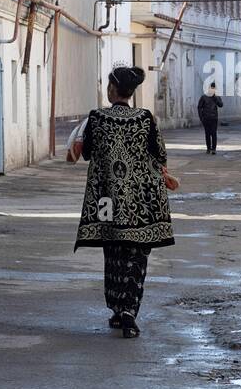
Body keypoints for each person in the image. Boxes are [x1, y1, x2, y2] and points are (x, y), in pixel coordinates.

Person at [74, 66, 174, 338]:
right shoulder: (146, 118)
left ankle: (118, 310)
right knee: (136, 253)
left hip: (107, 200)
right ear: (130, 92)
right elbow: (160, 155)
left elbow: (87, 154)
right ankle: (130, 310)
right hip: (141, 200)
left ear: (111, 89)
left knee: (113, 249)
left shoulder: (97, 118)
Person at [197, 82, 223, 155]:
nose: (212, 90)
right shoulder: (204, 97)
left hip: (214, 118)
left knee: (213, 133)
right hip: (206, 118)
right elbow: (199, 107)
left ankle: (213, 149)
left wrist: (215, 97)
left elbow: (221, 105)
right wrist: (201, 117)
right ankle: (208, 148)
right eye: (211, 88)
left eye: (214, 89)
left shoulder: (217, 97)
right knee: (207, 134)